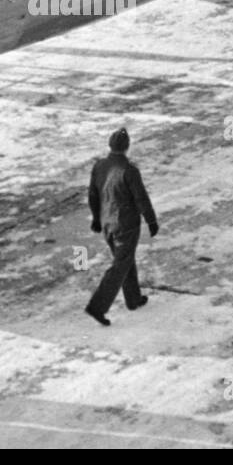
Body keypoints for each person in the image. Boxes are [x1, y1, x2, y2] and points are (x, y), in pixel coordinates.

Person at [84, 127, 160, 327]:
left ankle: (133, 299)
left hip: (107, 223)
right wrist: (151, 220)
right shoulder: (129, 170)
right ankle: (97, 306)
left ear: (110, 145)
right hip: (125, 225)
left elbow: (93, 194)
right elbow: (141, 198)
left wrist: (95, 219)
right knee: (120, 264)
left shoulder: (99, 166)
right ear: (127, 147)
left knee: (125, 260)